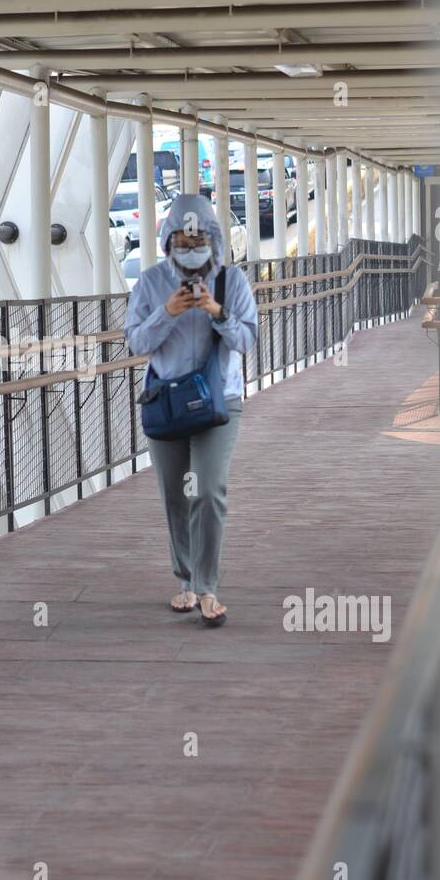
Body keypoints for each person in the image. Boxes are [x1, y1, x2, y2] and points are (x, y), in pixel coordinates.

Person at [125, 194, 257, 626]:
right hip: (167, 404)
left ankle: (206, 586)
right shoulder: (148, 283)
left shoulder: (232, 282)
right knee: (176, 494)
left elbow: (247, 340)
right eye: (182, 236)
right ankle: (185, 579)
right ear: (167, 240)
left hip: (220, 402)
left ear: (214, 239)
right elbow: (138, 343)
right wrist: (168, 312)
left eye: (199, 235)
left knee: (208, 490)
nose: (191, 243)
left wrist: (216, 312)